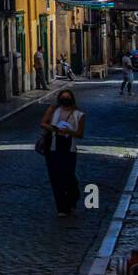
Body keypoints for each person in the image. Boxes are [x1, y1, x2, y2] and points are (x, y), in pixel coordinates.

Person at [39, 89, 85, 218]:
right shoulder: (53, 110)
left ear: (72, 99)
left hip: (69, 149)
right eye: (63, 98)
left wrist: (68, 132)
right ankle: (62, 208)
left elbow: (80, 134)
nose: (65, 100)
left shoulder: (79, 114)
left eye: (67, 98)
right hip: (52, 148)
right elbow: (43, 123)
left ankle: (73, 197)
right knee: (55, 178)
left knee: (69, 177)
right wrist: (55, 129)